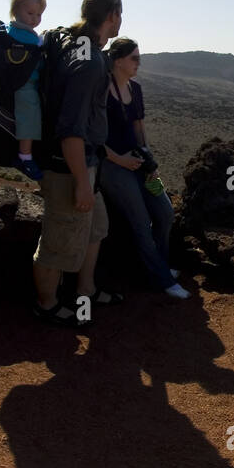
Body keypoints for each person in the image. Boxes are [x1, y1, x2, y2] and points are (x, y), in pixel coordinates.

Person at [31, 0, 123, 329]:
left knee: (95, 228)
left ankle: (85, 291)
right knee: (58, 240)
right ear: (113, 15)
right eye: (119, 14)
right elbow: (71, 129)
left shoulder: (69, 40)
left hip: (86, 166)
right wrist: (83, 183)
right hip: (70, 168)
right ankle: (48, 305)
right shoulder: (89, 64)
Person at [95, 37, 189, 301]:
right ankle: (162, 279)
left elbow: (139, 129)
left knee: (165, 212)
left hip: (138, 163)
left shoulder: (135, 89)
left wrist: (150, 163)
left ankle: (158, 265)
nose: (138, 63)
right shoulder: (101, 90)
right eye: (134, 58)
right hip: (112, 166)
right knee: (140, 221)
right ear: (118, 60)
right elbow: (94, 136)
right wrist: (119, 159)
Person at [0, 0, 48, 180]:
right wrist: (44, 42)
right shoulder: (22, 34)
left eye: (39, 14)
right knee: (30, 115)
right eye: (30, 13)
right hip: (25, 86)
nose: (35, 18)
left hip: (13, 85)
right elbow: (35, 49)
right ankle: (25, 156)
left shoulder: (10, 31)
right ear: (15, 11)